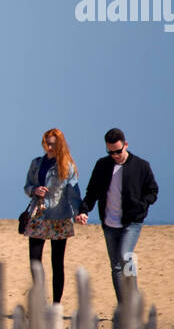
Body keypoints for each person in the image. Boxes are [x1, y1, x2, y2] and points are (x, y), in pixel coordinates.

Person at [76, 128, 158, 302]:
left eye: (118, 151)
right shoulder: (102, 165)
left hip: (132, 222)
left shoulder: (141, 166)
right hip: (109, 223)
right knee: (116, 267)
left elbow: (152, 191)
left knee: (125, 256)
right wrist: (83, 210)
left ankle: (133, 302)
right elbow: (92, 192)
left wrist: (142, 205)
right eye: (110, 152)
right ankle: (124, 307)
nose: (115, 155)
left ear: (125, 145)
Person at [21, 128, 84, 303]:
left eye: (53, 144)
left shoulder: (67, 166)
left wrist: (80, 213)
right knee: (35, 261)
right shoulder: (36, 163)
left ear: (60, 145)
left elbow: (73, 194)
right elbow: (27, 186)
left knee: (57, 262)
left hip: (59, 217)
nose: (49, 147)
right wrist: (34, 189)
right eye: (46, 143)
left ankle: (56, 304)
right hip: (37, 215)